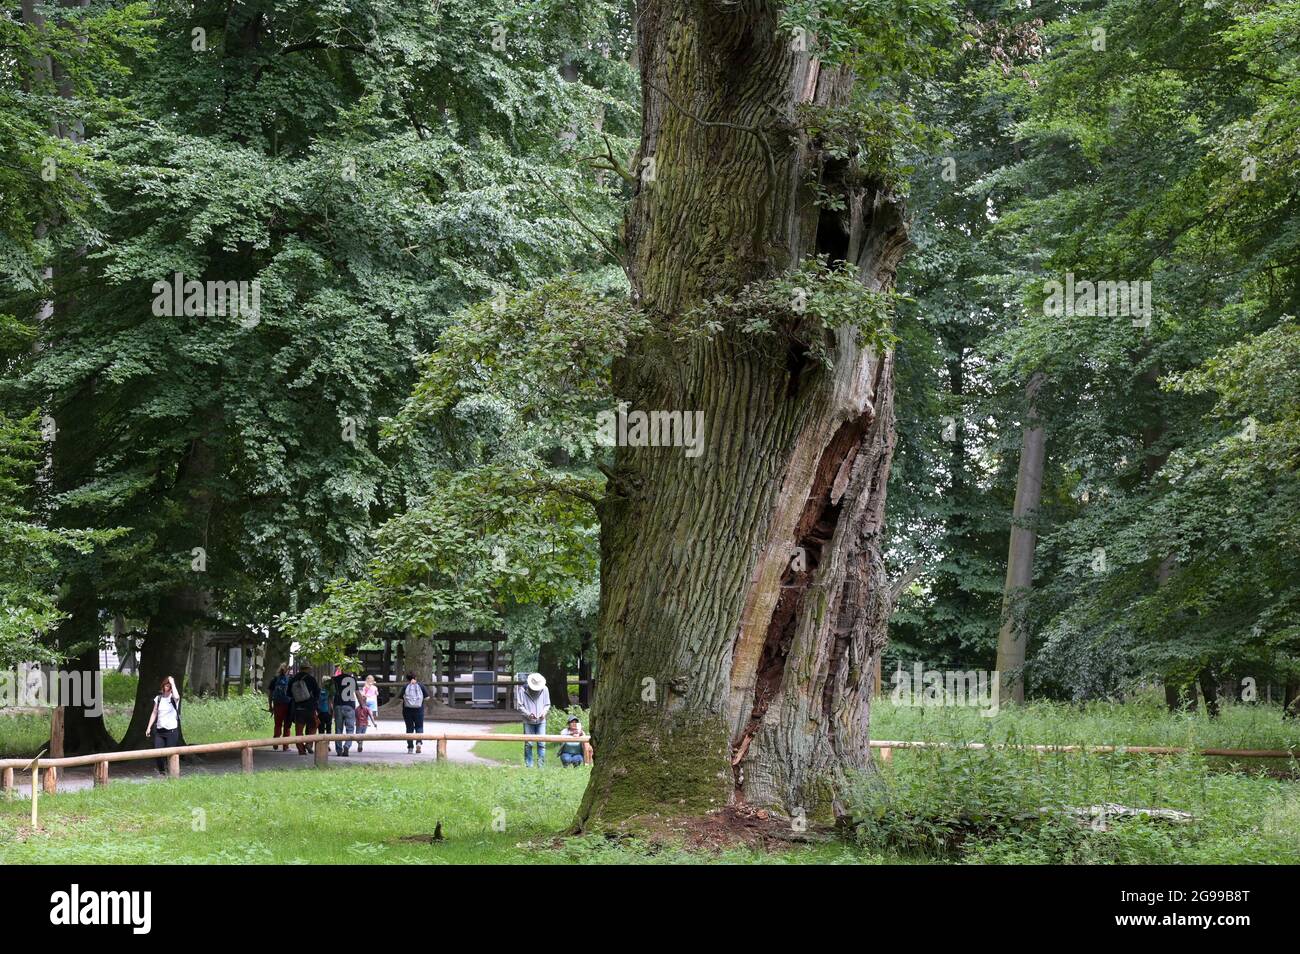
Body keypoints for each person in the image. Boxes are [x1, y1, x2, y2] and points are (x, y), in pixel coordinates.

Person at [144, 676, 182, 775]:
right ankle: (162, 772)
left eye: (169, 686)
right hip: (160, 731)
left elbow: (177, 696)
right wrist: (149, 727)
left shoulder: (174, 698)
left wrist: (172, 682)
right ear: (163, 686)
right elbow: (154, 712)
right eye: (166, 685)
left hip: (171, 731)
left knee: (170, 753)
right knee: (158, 752)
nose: (168, 688)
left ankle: (172, 773)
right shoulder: (159, 698)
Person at [517, 672, 550, 768]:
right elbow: (520, 705)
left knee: (542, 743)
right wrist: (528, 715)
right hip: (528, 721)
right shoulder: (522, 690)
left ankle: (541, 766)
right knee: (529, 744)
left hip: (541, 721)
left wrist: (544, 713)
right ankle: (529, 766)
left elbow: (547, 704)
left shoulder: (545, 689)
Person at [287, 665, 319, 754]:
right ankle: (309, 743)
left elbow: (288, 694)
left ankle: (301, 749)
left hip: (297, 707)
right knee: (314, 725)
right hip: (309, 707)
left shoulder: (293, 679)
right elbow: (317, 693)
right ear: (307, 669)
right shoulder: (311, 679)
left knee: (299, 729)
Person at [401, 672, 428, 753]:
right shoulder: (421, 686)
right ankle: (419, 743)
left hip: (407, 710)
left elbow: (400, 698)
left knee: (409, 728)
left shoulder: (405, 686)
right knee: (419, 727)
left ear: (407, 678)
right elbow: (427, 697)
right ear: (415, 677)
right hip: (419, 710)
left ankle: (410, 747)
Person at [333, 670, 358, 756]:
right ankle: (347, 745)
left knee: (338, 729)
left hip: (338, 705)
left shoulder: (335, 679)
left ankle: (339, 750)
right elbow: (357, 693)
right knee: (350, 729)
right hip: (350, 706)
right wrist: (362, 705)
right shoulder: (352, 679)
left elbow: (332, 693)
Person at [268, 663, 292, 751]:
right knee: (287, 725)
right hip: (288, 705)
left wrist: (270, 706)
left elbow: (270, 694)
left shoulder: (274, 680)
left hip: (277, 704)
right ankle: (285, 746)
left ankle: (276, 742)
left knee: (277, 724)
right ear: (287, 670)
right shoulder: (290, 680)